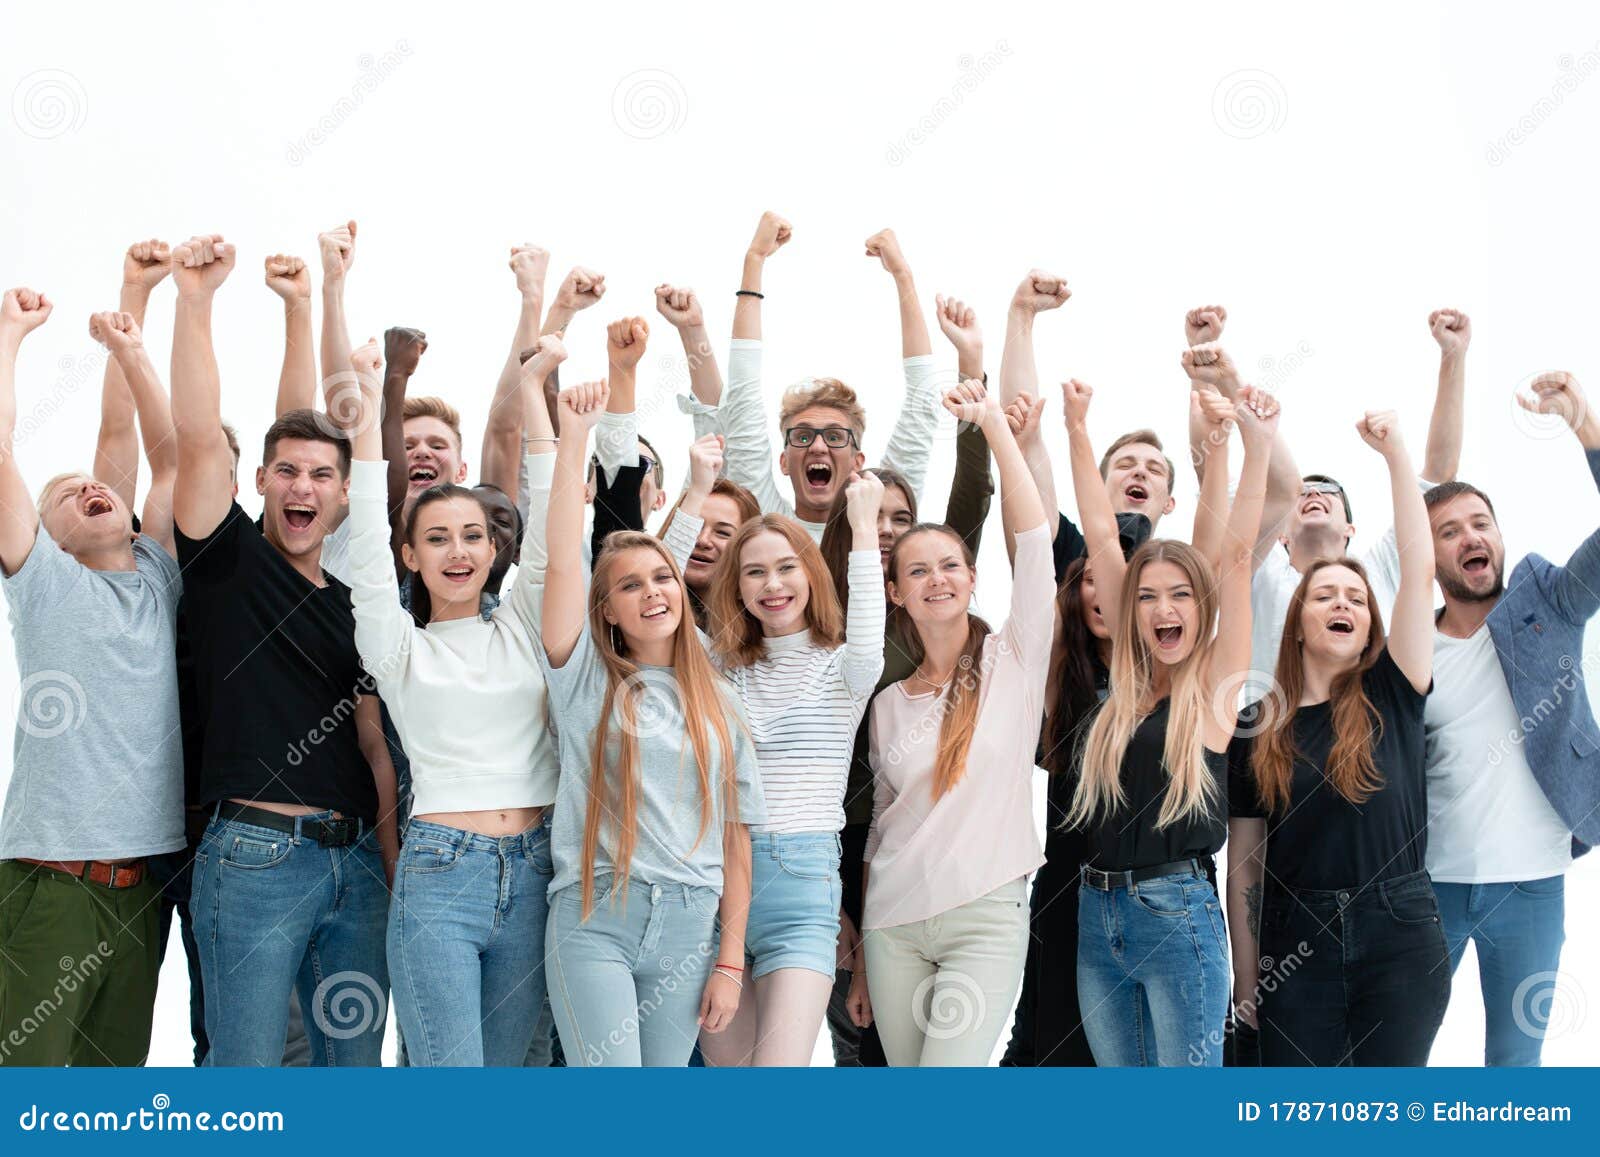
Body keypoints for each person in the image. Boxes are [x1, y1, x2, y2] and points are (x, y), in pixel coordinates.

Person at [167, 234, 397, 1067]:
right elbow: (196, 436)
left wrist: (305, 305)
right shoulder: (226, 564)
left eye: (321, 475)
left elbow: (375, 743)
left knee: (353, 1082)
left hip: (359, 867)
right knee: (247, 1079)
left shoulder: (359, 606)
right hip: (256, 857)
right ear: (257, 480)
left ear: (342, 492)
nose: (304, 485)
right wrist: (197, 301)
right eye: (287, 471)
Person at [342, 334, 566, 1065]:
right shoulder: (398, 646)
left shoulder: (524, 626)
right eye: (436, 538)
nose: (459, 550)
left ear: (494, 548)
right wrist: (376, 400)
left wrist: (536, 390)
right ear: (411, 555)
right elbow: (369, 538)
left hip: (535, 869)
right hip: (441, 873)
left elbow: (554, 527)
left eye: (473, 535)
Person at [539, 379, 766, 1066]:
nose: (652, 591)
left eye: (662, 577)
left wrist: (730, 960)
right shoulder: (583, 678)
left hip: (691, 926)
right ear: (605, 609)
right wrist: (575, 439)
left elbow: (736, 842)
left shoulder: (720, 701)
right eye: (629, 584)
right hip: (596, 916)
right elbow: (559, 564)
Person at [1063, 377, 1277, 1067]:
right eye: (1148, 595)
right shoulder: (1122, 684)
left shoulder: (1212, 691)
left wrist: (1254, 442)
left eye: (1180, 594)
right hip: (1096, 917)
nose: (1162, 608)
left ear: (1199, 608)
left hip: (1175, 913)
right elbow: (1100, 531)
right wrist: (1075, 425)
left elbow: (1236, 555)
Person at [1226, 409, 1444, 1067]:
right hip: (1296, 940)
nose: (1343, 603)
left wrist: (1396, 453)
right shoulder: (1256, 725)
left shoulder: (1394, 691)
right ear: (1297, 620)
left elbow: (1418, 566)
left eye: (1355, 595)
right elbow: (1245, 865)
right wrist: (1246, 971)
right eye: (1325, 596)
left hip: (1399, 932)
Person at [0, 290, 182, 1066]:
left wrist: (130, 313)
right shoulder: (45, 582)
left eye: (95, 483)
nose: (85, 487)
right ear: (45, 534)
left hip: (144, 893)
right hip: (52, 886)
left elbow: (155, 450)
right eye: (62, 495)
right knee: (25, 1095)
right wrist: (11, 334)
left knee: (108, 1102)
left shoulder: (159, 575)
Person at [816, 299, 996, 1067]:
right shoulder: (825, 620)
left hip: (924, 842)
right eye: (874, 514)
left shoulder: (928, 610)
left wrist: (971, 373)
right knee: (855, 1030)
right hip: (836, 839)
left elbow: (972, 494)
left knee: (924, 1045)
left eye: (901, 516)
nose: (888, 528)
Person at [861, 377, 1050, 1066]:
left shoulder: (1015, 659)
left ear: (972, 578)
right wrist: (859, 945)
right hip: (893, 925)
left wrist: (997, 428)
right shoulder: (886, 705)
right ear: (895, 590)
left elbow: (1034, 546)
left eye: (950, 565)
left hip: (985, 916)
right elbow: (882, 820)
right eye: (918, 570)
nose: (936, 578)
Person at [682, 449, 885, 1066]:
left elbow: (869, 615)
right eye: (754, 573)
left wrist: (866, 521)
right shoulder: (715, 668)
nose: (772, 585)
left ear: (812, 575)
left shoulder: (845, 667)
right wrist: (694, 491)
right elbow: (659, 571)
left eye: (786, 568)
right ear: (734, 586)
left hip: (804, 885)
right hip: (717, 882)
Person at [1422, 370, 1600, 1066]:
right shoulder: (1407, 641)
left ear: (1499, 536)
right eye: (1448, 530)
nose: (1471, 536)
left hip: (1531, 882)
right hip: (1428, 884)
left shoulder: (1548, 600)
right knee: (1395, 1056)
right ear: (1430, 555)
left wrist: (1583, 423)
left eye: (1480, 523)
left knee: (1514, 1069)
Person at [1186, 306, 1469, 704]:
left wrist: (1453, 356)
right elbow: (1210, 480)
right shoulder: (1262, 573)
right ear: (1282, 532)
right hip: (1267, 750)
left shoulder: (1378, 573)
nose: (1314, 494)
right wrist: (1203, 362)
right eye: (1303, 493)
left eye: (1329, 491)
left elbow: (1438, 477)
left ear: (1350, 530)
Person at [678, 213, 939, 540]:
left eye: (834, 437)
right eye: (802, 436)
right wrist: (754, 261)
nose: (817, 446)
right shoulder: (764, 517)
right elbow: (742, 395)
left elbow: (924, 405)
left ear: (858, 462)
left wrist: (903, 275)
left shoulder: (880, 519)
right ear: (784, 461)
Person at [1001, 512, 1152, 1068]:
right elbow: (1031, 539)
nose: (1105, 590)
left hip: (1156, 897)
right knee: (1048, 1051)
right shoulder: (1056, 674)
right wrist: (1020, 438)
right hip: (1068, 891)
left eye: (1120, 577)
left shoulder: (1173, 679)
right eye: (1091, 577)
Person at [999, 270, 1174, 578]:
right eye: (1125, 464)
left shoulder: (1176, 578)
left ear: (1169, 503)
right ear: (1098, 489)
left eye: (1155, 469)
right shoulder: (1069, 552)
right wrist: (1022, 314)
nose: (1140, 471)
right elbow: (1021, 434)